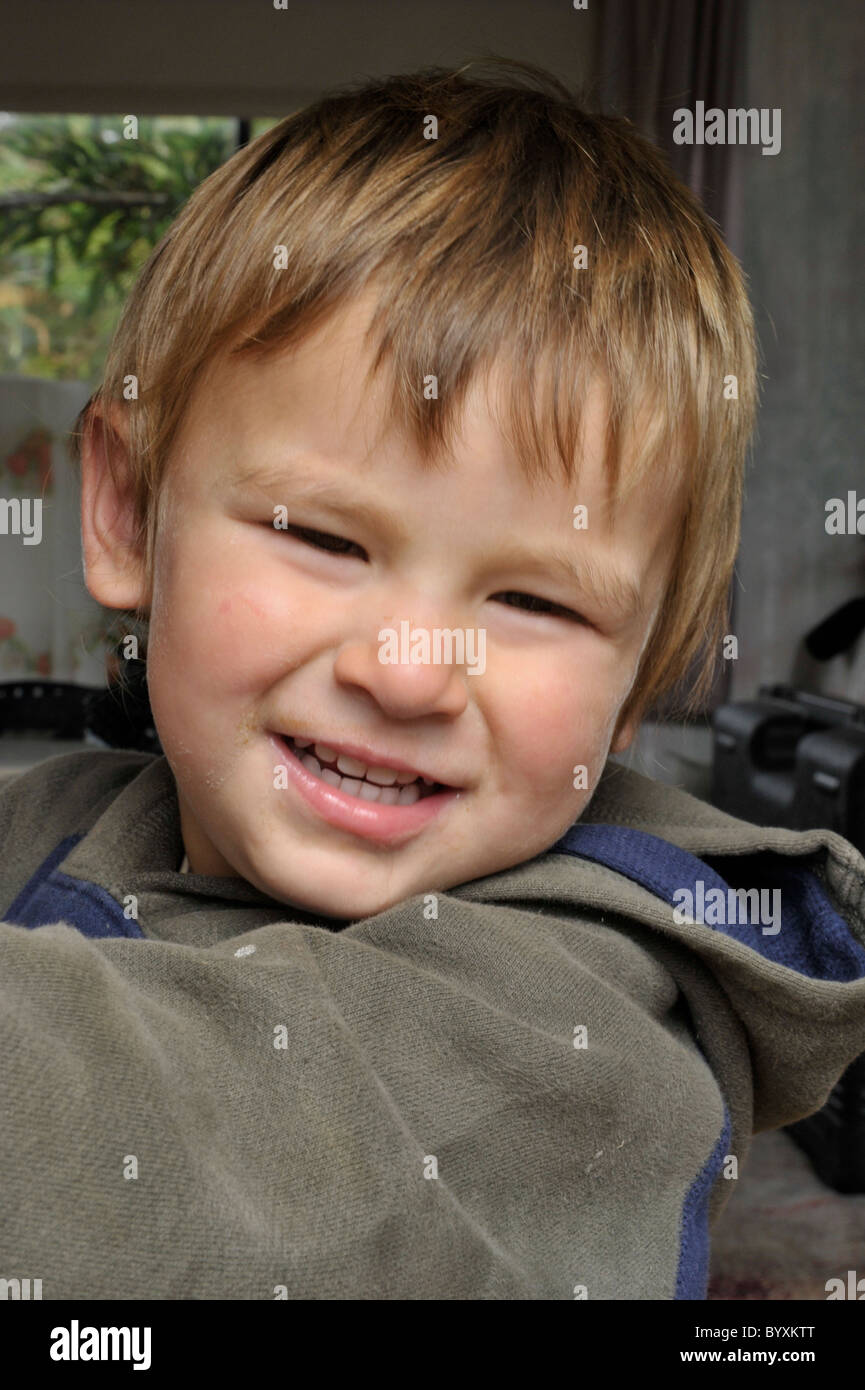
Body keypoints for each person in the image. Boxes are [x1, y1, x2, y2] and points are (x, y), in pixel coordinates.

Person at [1, 61, 863, 1300]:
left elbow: (150, 1152)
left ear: (642, 678)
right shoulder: (62, 814)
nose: (408, 674)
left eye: (534, 601)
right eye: (323, 539)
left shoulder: (589, 1017)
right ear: (132, 512)